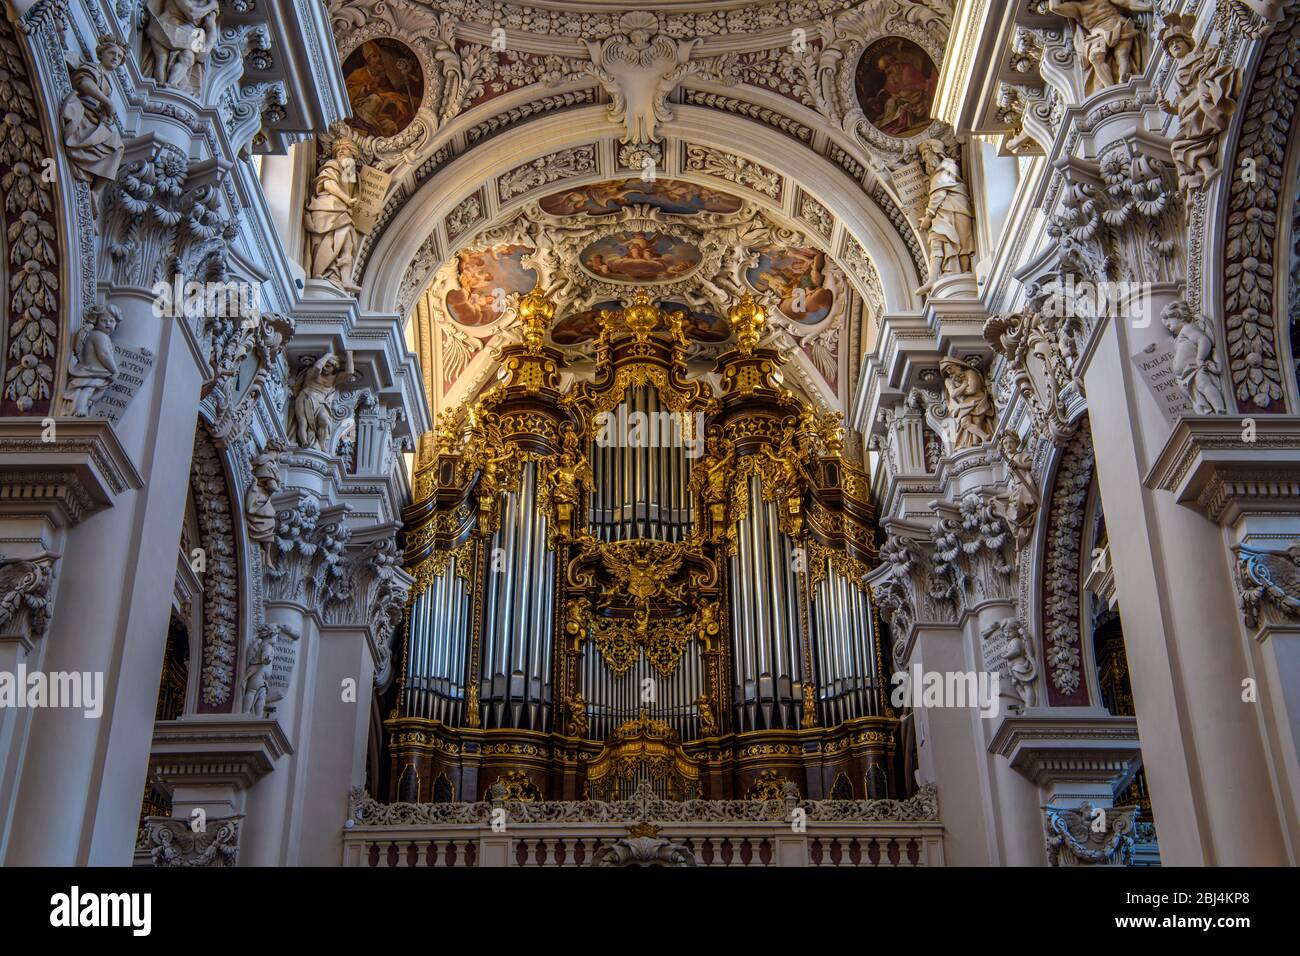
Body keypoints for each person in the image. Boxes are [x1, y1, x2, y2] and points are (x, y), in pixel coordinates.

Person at [62, 38, 125, 214]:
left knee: (117, 147)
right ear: (101, 53)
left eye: (119, 57)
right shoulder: (93, 68)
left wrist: (105, 114)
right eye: (112, 53)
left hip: (92, 118)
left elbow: (100, 105)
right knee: (116, 143)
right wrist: (106, 102)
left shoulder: (108, 83)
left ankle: (96, 192)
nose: (115, 58)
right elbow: (84, 83)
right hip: (80, 112)